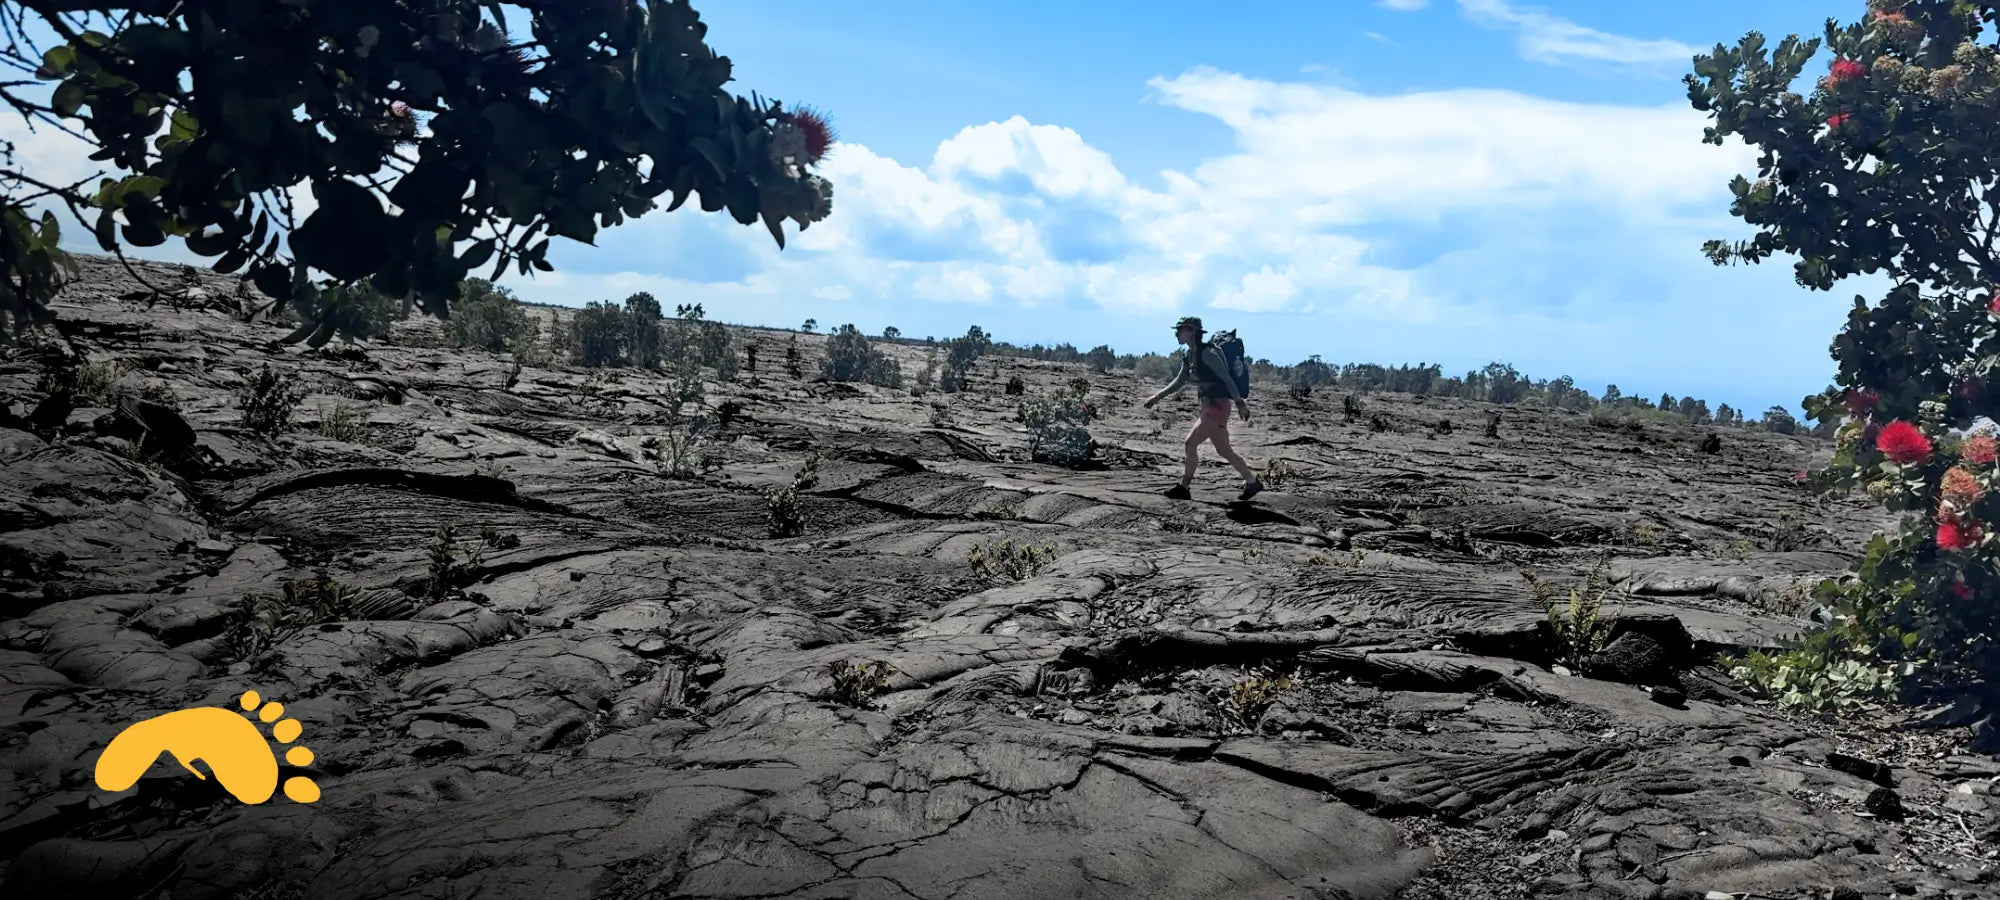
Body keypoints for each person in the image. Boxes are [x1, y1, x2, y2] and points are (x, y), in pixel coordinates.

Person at [1143, 316, 1262, 501]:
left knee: (1190, 443)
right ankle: (1252, 482)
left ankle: (1184, 487)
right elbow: (1179, 381)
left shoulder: (1208, 353)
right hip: (1210, 407)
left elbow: (1226, 379)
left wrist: (1240, 404)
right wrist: (1157, 397)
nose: (1176, 334)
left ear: (1191, 331)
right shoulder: (1189, 355)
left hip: (1216, 408)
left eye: (1180, 330)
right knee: (1224, 451)